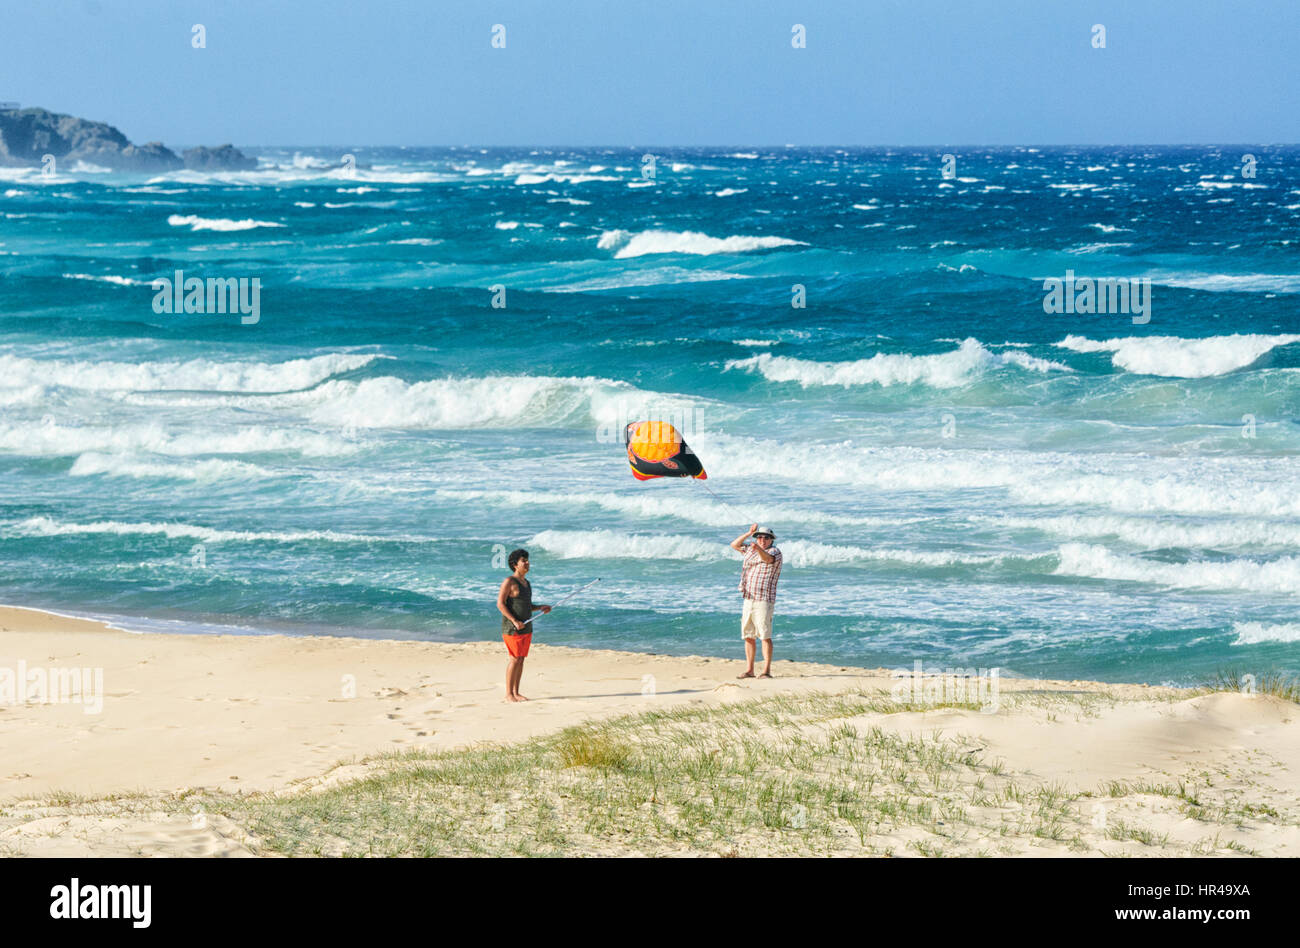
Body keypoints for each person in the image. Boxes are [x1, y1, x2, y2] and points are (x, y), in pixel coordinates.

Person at [496, 548, 550, 702]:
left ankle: (516, 692)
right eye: (523, 561)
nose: (527, 563)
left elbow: (526, 605)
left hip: (527, 627)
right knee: (514, 659)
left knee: (521, 659)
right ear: (515, 565)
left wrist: (540, 608)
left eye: (527, 560)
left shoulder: (527, 583)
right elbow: (500, 604)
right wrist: (514, 621)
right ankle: (508, 694)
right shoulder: (509, 582)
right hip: (512, 628)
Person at [729, 524, 782, 679]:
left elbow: (767, 559)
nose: (762, 540)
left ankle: (766, 671)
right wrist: (748, 533)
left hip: (764, 599)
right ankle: (750, 670)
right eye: (759, 537)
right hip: (749, 597)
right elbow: (734, 545)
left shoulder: (775, 552)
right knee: (748, 635)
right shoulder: (751, 549)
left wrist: (758, 548)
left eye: (766, 538)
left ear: (771, 539)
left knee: (764, 635)